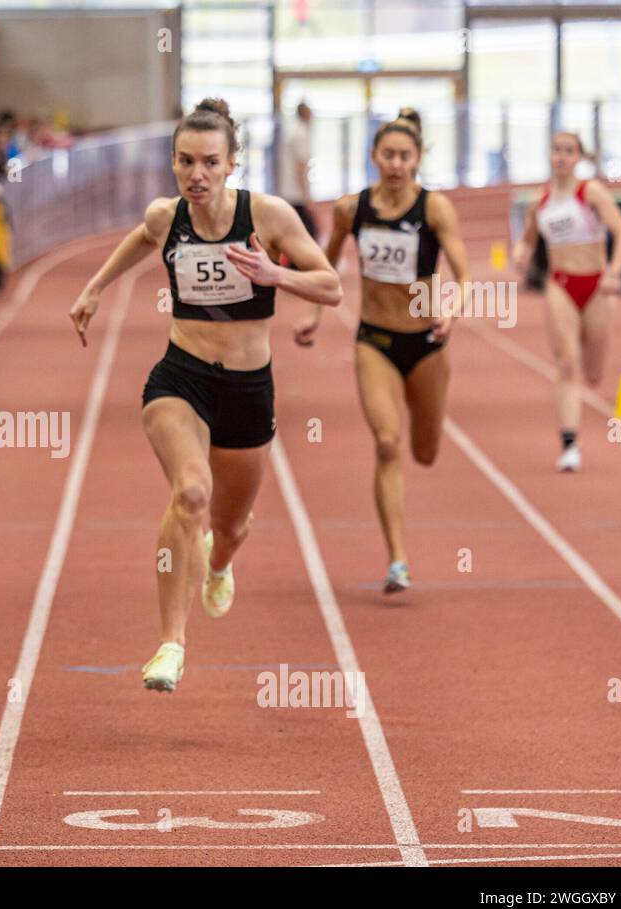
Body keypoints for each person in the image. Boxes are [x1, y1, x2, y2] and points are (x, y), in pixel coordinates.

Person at [68, 98, 341, 693]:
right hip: (182, 376)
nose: (197, 174)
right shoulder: (168, 217)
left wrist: (277, 275)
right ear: (172, 163)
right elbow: (141, 239)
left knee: (232, 524)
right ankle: (171, 644)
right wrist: (94, 288)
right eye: (186, 161)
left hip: (248, 388)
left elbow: (332, 286)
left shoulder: (268, 216)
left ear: (231, 165)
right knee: (191, 494)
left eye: (210, 162)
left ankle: (218, 563)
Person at [303, 108, 470, 593]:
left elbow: (463, 273)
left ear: (418, 159)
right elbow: (324, 262)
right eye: (389, 155)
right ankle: (397, 560)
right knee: (386, 443)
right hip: (374, 338)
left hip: (426, 344)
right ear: (374, 156)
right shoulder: (351, 209)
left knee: (424, 451)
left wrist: (451, 309)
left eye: (406, 156)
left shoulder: (434, 209)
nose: (396, 164)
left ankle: (400, 548)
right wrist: (315, 311)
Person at [512, 131, 621, 472]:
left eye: (569, 151)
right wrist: (520, 255)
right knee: (567, 363)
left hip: (596, 285)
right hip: (561, 284)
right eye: (556, 151)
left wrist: (614, 271)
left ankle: (587, 381)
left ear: (578, 157)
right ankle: (569, 445)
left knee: (593, 374)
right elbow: (525, 241)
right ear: (549, 156)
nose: (562, 157)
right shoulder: (541, 202)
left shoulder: (590, 192)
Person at [277, 101, 316, 238]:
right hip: (295, 194)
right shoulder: (301, 133)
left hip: (287, 192)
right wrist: (306, 197)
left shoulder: (292, 130)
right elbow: (301, 166)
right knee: (308, 234)